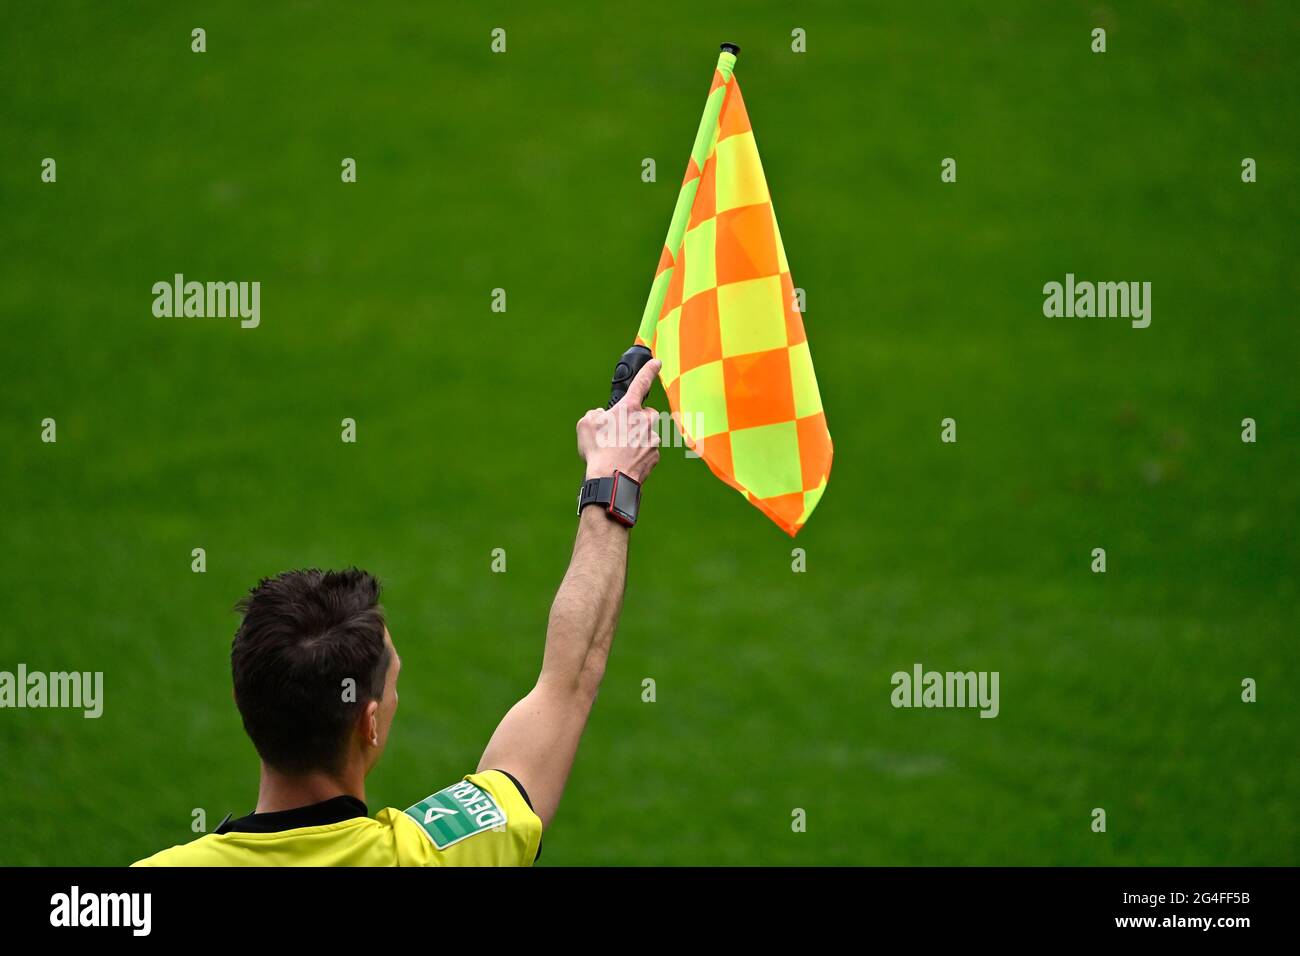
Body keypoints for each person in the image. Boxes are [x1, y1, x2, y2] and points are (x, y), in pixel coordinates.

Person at [133, 360, 663, 866]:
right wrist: (612, 481)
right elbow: (568, 681)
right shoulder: (433, 856)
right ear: (368, 723)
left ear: (241, 699)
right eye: (391, 684)